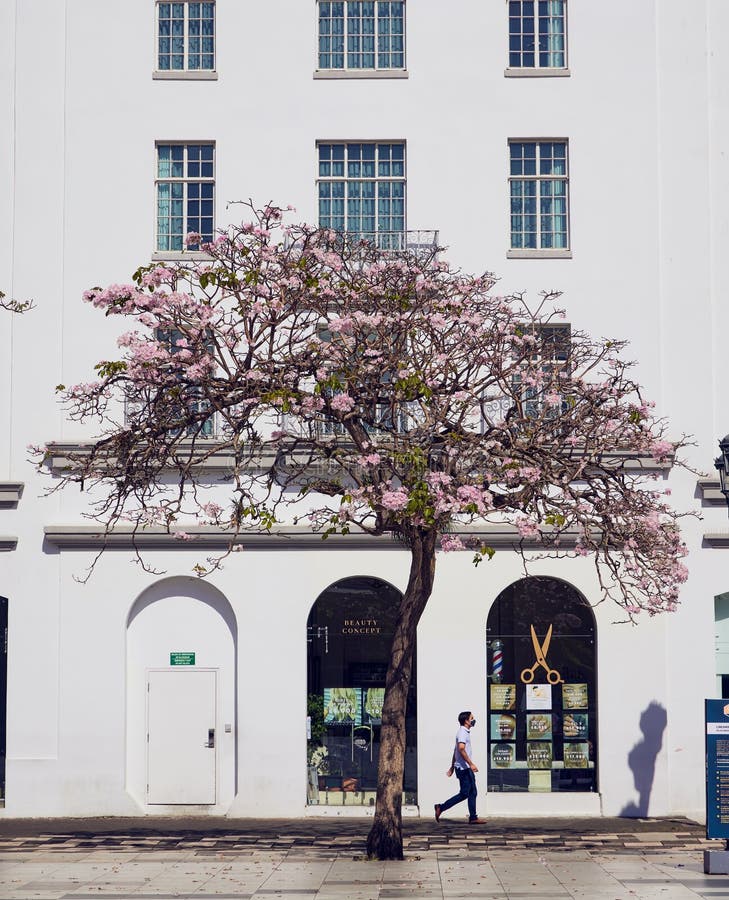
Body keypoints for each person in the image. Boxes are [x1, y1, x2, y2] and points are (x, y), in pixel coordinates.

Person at [434, 710, 483, 824]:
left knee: (472, 792)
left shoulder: (464, 732)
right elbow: (461, 749)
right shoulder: (462, 733)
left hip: (462, 767)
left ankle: (473, 817)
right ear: (466, 721)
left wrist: (452, 767)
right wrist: (471, 764)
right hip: (464, 768)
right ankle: (441, 807)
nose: (473, 720)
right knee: (465, 793)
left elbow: (456, 751)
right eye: (472, 718)